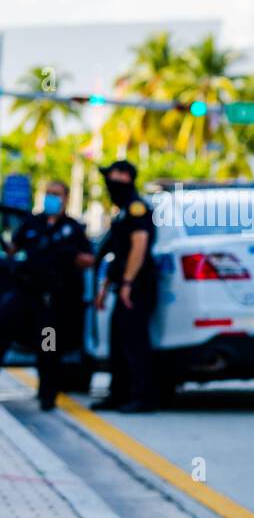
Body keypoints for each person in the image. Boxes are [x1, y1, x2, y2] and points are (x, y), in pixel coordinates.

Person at [0, 180, 94, 410]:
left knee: (48, 346)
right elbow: (15, 248)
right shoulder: (33, 223)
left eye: (56, 194)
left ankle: (47, 394)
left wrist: (74, 258)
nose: (52, 198)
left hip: (51, 302)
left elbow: (89, 260)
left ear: (66, 198)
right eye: (48, 193)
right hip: (25, 295)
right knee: (3, 327)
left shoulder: (73, 229)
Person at [91, 161, 157, 413]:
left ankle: (143, 397)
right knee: (118, 342)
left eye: (113, 176)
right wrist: (106, 286)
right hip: (123, 284)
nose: (109, 181)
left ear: (126, 177)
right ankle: (118, 394)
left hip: (137, 286)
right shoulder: (122, 211)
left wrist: (128, 283)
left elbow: (139, 247)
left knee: (134, 343)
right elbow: (117, 254)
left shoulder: (137, 208)